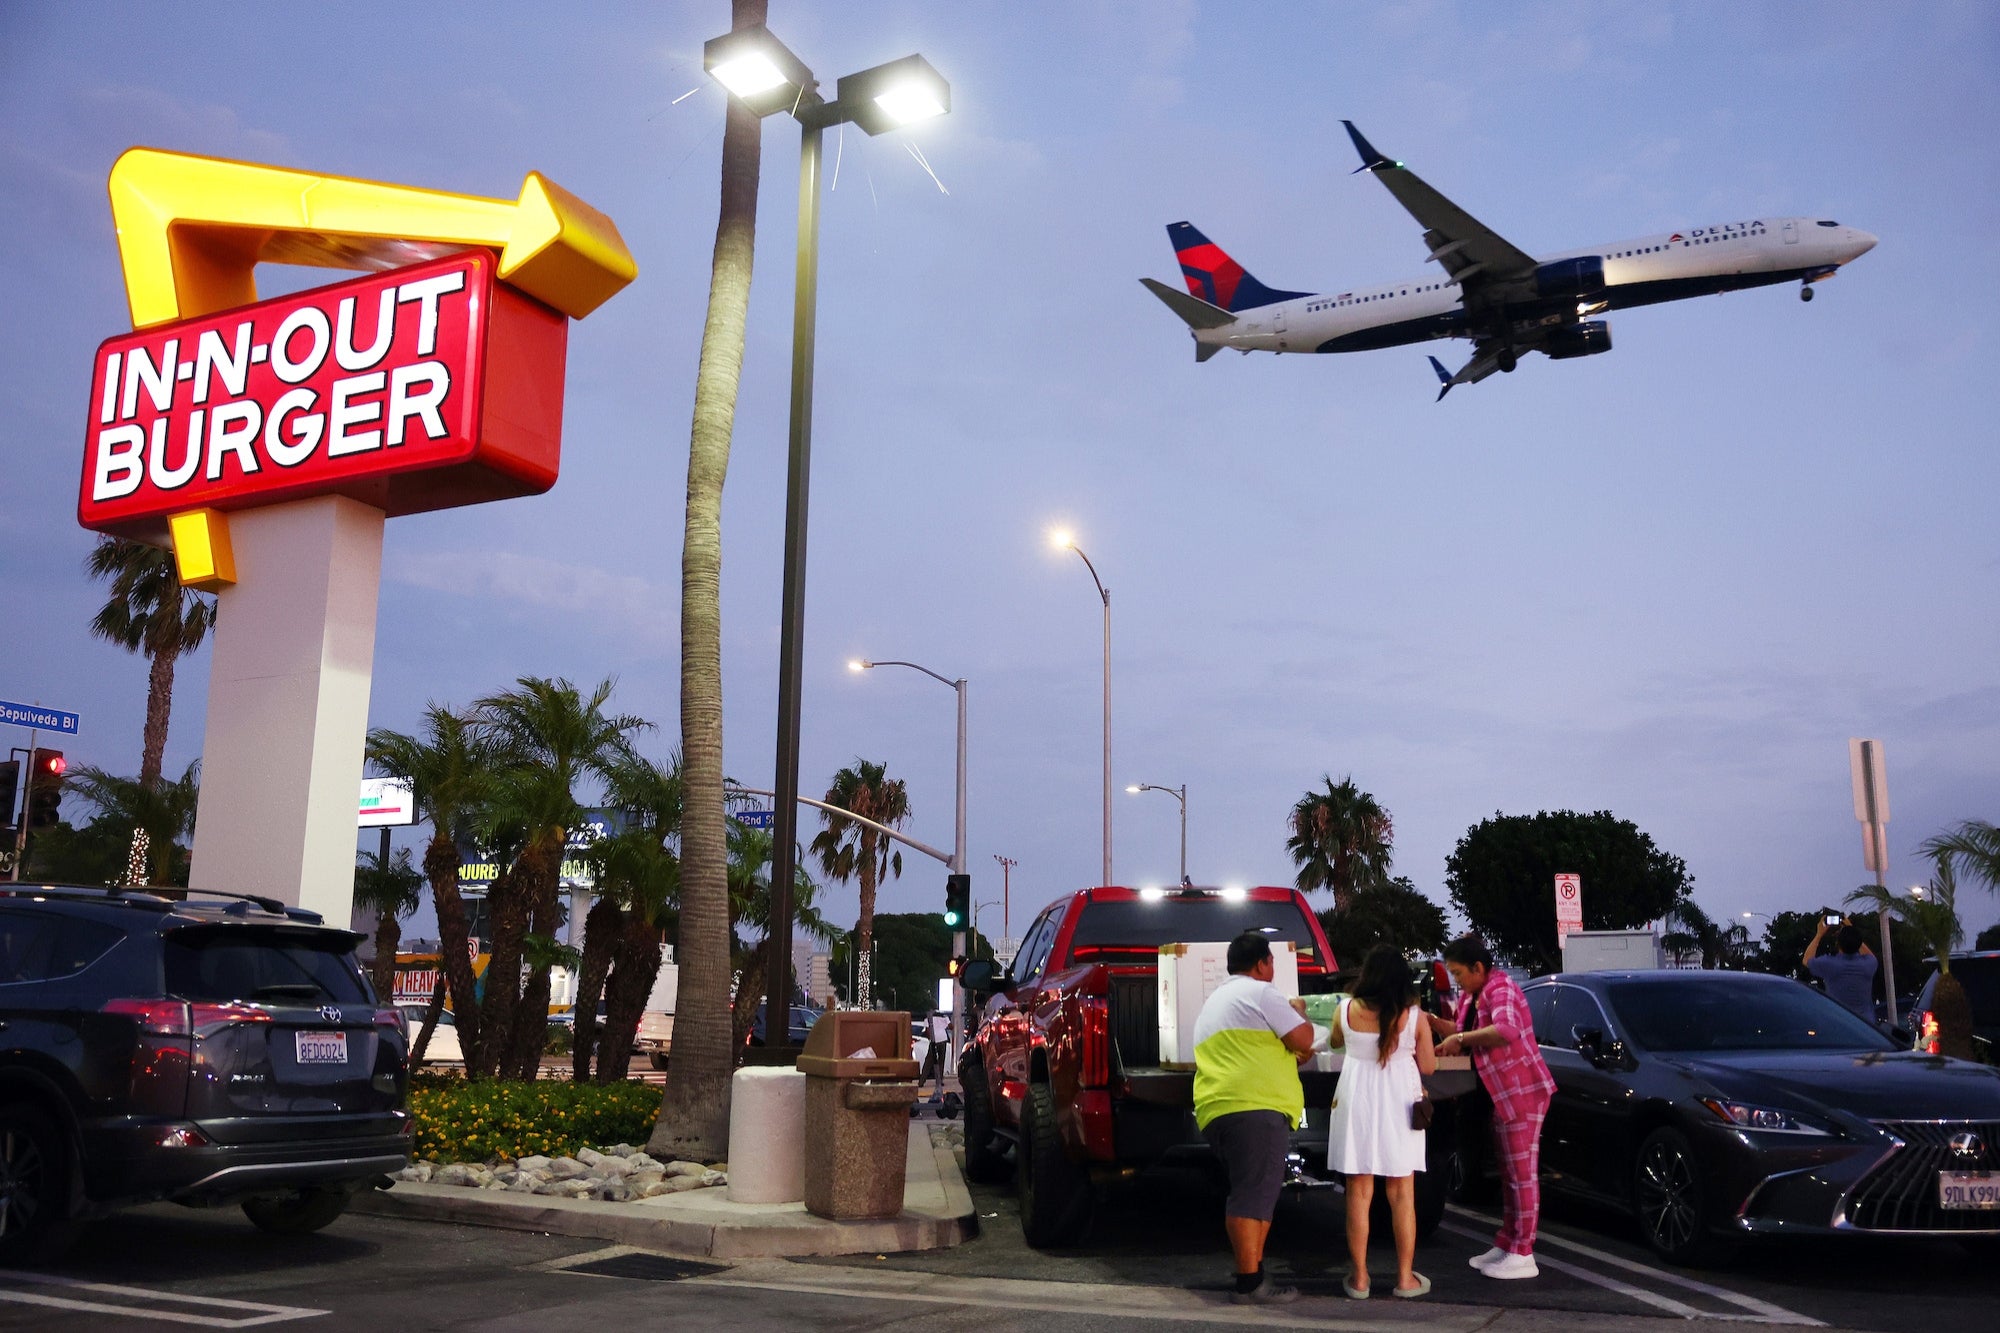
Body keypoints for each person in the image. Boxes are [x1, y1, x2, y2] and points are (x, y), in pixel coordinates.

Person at [1192, 931, 1316, 1306]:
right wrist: (1299, 1012)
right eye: (1272, 962)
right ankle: (1250, 1284)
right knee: (1251, 1195)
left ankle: (1255, 1272)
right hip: (1254, 1108)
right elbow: (1305, 1038)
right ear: (1263, 963)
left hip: (1222, 1106)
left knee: (1256, 1194)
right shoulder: (1262, 993)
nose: (1273, 969)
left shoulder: (1217, 999)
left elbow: (1264, 1048)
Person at [1428, 935, 1554, 1280]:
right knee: (1509, 1174)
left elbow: (1506, 1030)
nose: (1456, 981)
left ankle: (1523, 1251)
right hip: (1502, 1094)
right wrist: (1442, 1027)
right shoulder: (1477, 994)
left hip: (1521, 1092)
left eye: (1458, 973)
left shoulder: (1502, 989)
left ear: (1477, 968)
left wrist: (1460, 1039)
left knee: (1521, 1175)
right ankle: (1509, 1243)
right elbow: (1466, 1030)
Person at [1325, 945, 1437, 1299]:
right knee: (1402, 1194)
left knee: (1358, 1194)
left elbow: (1335, 1043)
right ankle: (1405, 1278)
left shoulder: (1344, 1010)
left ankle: (1360, 1278)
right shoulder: (1415, 1017)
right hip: (1399, 1101)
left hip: (1356, 1099)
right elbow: (1430, 1067)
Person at [1804, 917, 1879, 1023]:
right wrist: (1851, 931)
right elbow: (1871, 956)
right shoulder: (1868, 965)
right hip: (1866, 1026)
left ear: (1838, 944)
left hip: (1838, 1024)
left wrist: (1819, 935)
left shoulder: (1830, 964)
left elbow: (1807, 959)